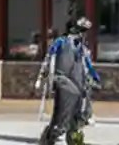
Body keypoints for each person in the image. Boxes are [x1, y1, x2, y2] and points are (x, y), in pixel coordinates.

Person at [35, 16, 101, 145]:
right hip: (63, 80)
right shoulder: (61, 42)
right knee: (62, 115)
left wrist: (94, 76)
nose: (83, 34)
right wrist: (42, 77)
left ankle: (74, 137)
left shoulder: (81, 47)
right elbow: (48, 58)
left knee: (81, 114)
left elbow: (87, 63)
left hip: (80, 83)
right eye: (81, 31)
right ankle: (50, 138)